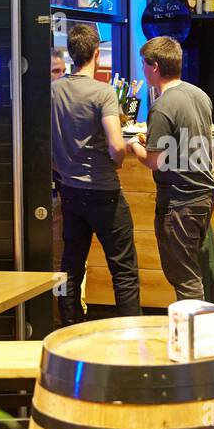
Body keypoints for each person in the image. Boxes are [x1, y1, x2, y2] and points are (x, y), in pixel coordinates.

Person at [51, 25, 140, 325]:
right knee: (123, 269)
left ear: (70, 54)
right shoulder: (103, 92)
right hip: (103, 191)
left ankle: (70, 330)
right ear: (96, 54)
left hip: (70, 191)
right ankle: (130, 336)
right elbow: (115, 144)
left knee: (71, 266)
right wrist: (121, 156)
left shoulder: (54, 90)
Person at [129, 36, 214, 301]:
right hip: (203, 195)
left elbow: (155, 161)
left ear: (154, 66)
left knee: (184, 277)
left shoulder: (163, 106)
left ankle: (196, 340)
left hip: (180, 201)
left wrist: (134, 145)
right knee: (192, 269)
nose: (142, 70)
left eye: (144, 64)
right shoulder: (199, 94)